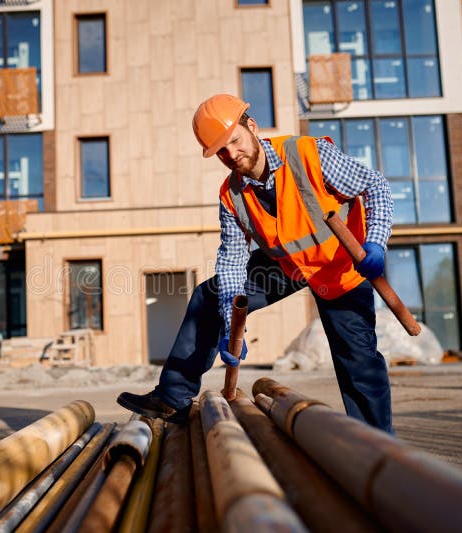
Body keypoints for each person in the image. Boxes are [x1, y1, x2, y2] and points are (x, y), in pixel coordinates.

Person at [117, 93, 395, 433]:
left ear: (252, 126)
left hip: (342, 264)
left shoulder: (309, 154)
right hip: (288, 267)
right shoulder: (231, 194)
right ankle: (173, 398)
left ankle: (378, 444)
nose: (232, 155)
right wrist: (230, 318)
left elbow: (375, 187)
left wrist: (376, 243)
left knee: (359, 361)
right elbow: (233, 260)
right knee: (209, 297)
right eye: (221, 151)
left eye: (235, 141)